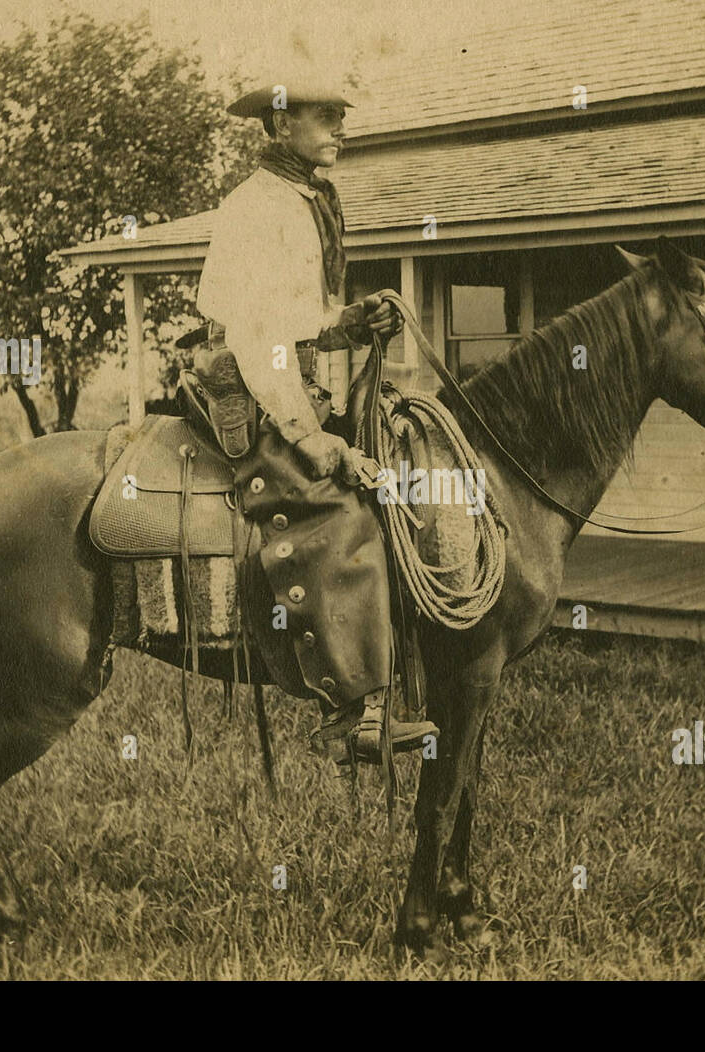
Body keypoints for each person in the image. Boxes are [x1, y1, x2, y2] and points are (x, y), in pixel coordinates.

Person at [194, 77, 437, 765]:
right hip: (256, 388)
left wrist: (352, 321)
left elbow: (302, 322)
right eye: (325, 117)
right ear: (278, 125)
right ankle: (351, 709)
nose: (340, 128)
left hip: (285, 377)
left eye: (340, 116)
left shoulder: (307, 199)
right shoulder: (252, 208)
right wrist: (319, 440)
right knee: (344, 508)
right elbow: (257, 335)